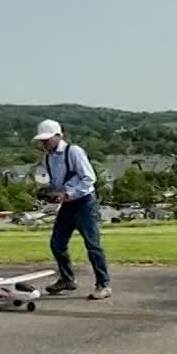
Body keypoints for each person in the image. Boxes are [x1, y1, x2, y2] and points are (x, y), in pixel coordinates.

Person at [33, 119, 111, 299]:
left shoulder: (73, 152)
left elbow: (89, 179)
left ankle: (103, 284)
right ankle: (67, 279)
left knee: (93, 245)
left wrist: (68, 194)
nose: (44, 144)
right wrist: (49, 192)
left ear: (59, 136)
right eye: (42, 141)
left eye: (47, 139)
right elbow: (58, 182)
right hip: (67, 205)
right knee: (57, 244)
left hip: (84, 203)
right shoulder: (48, 157)